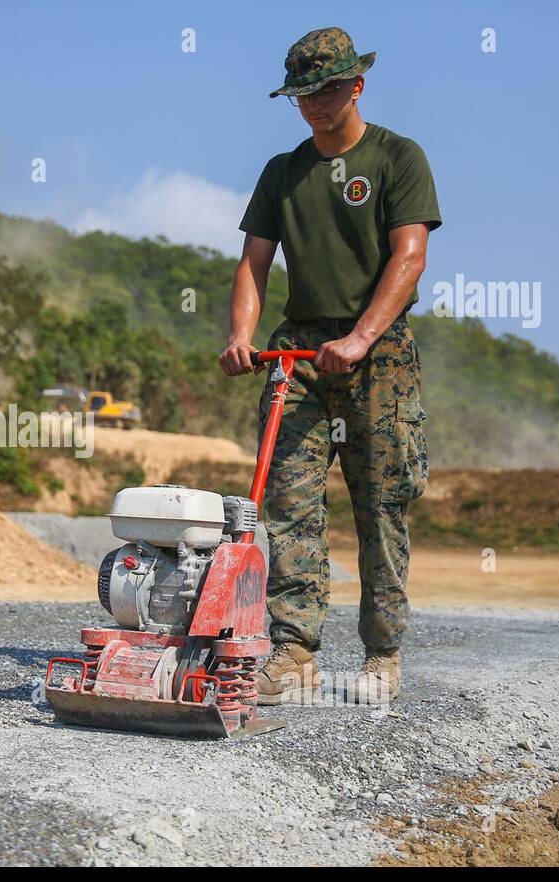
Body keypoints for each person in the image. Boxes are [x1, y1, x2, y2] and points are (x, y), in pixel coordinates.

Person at [219, 27, 441, 705]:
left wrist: (363, 337)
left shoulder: (398, 157)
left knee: (381, 504)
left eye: (328, 90)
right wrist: (240, 334)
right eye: (303, 95)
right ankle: (294, 649)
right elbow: (254, 262)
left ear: (356, 85)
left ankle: (382, 652)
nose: (316, 104)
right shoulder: (282, 172)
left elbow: (409, 258)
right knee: (287, 502)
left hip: (378, 355)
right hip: (298, 355)